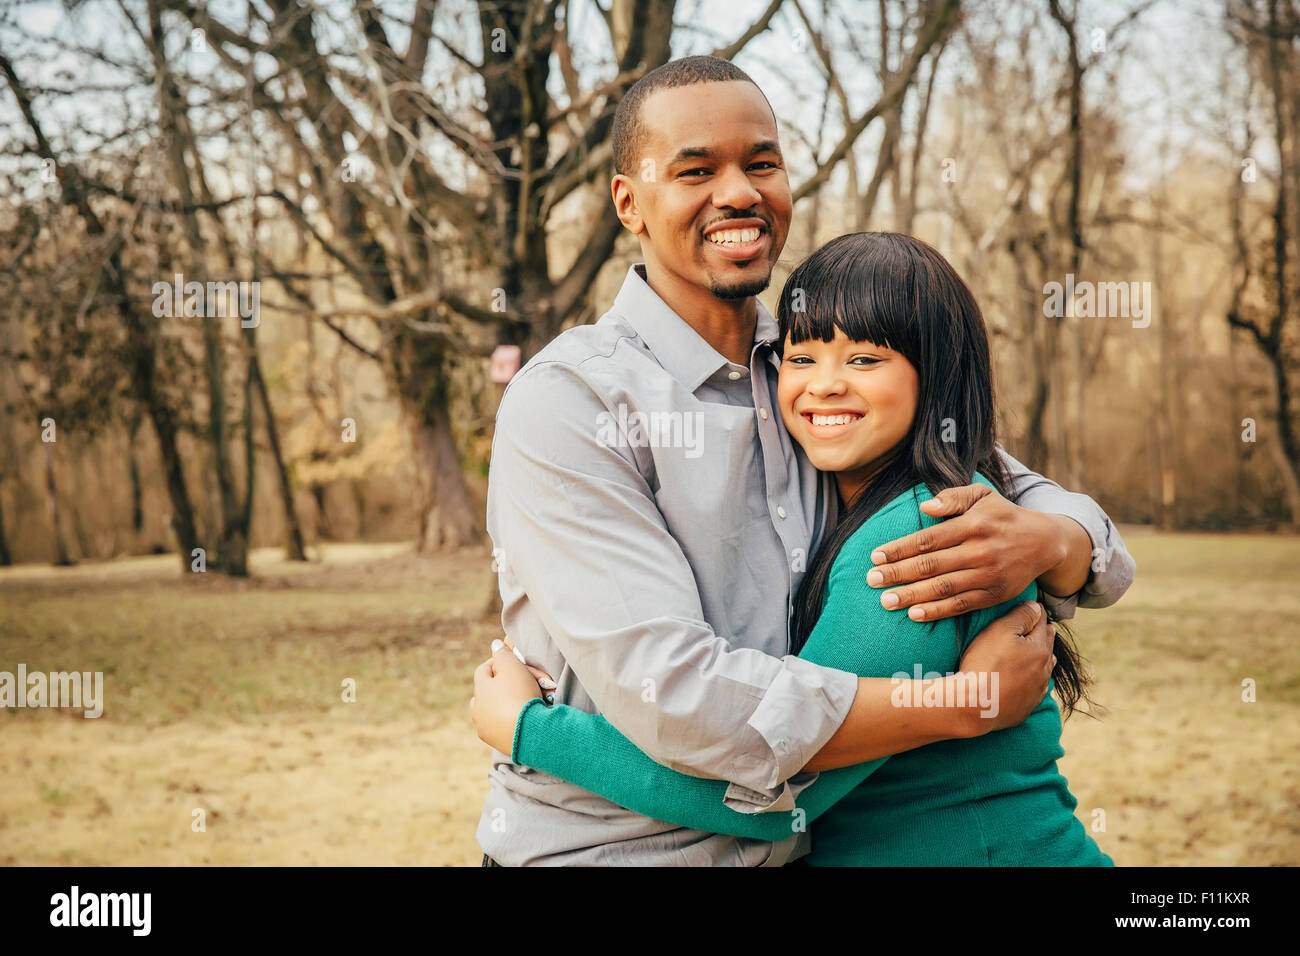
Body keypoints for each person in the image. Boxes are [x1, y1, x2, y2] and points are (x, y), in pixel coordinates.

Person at [471, 55, 1134, 866]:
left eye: (761, 163)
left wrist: (1054, 543)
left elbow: (1013, 491)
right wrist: (958, 703)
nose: (740, 192)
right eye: (695, 170)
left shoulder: (810, 374)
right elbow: (682, 699)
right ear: (628, 203)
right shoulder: (573, 402)